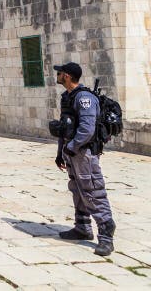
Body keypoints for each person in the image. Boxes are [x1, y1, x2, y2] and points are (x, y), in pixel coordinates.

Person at [53, 62, 115, 256]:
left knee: (92, 191)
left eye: (60, 73)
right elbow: (65, 128)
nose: (58, 75)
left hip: (84, 153)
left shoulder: (84, 98)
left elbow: (87, 130)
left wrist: (71, 148)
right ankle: (82, 227)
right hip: (72, 152)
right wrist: (60, 152)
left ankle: (106, 236)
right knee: (77, 188)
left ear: (68, 76)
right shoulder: (68, 97)